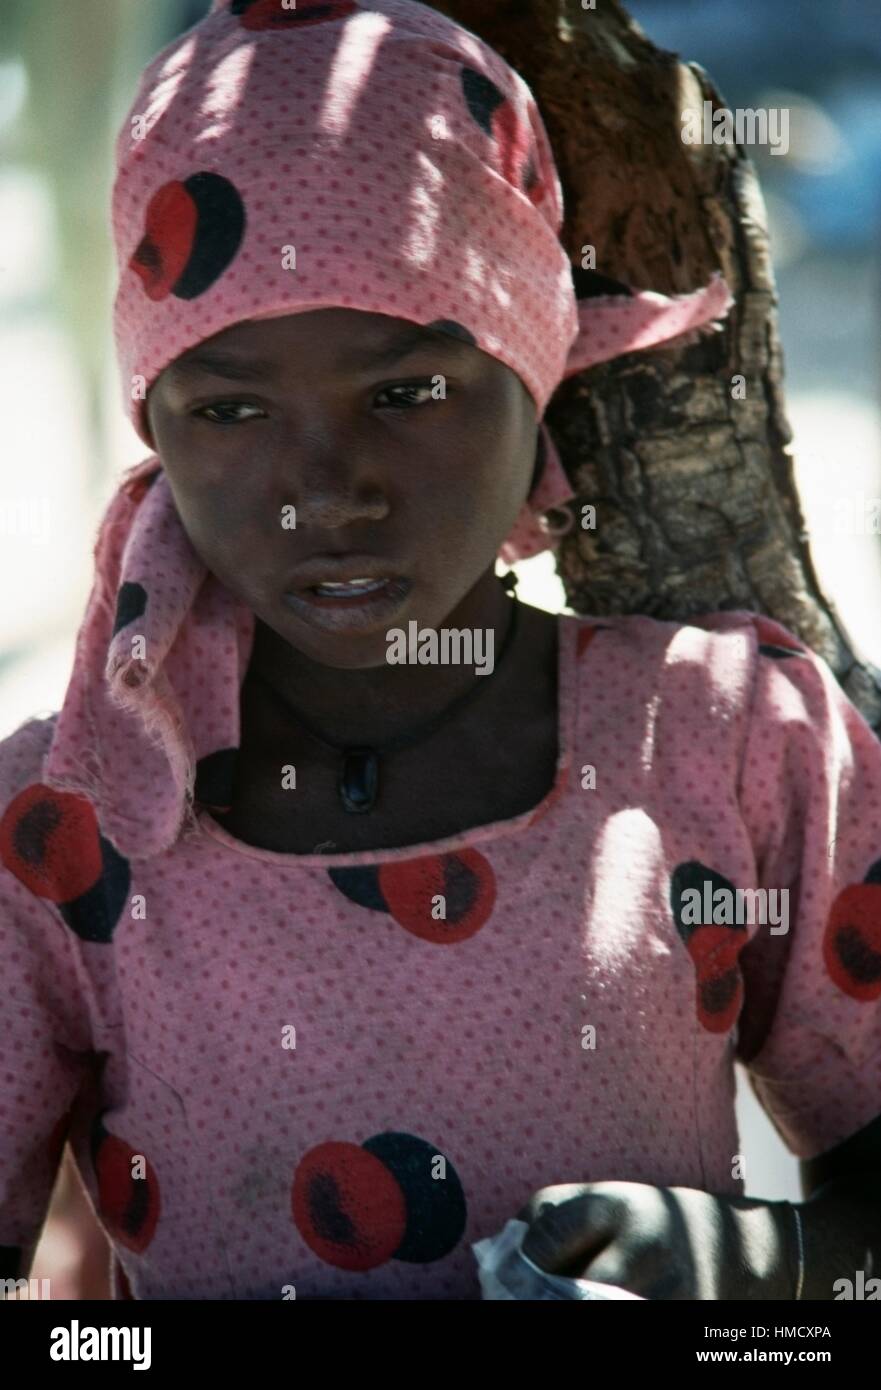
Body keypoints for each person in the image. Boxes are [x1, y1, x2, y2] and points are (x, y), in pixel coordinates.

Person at [1, 0, 879, 1302]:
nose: (326, 486)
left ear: (534, 377)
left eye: (407, 389)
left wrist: (773, 1266)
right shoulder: (68, 823)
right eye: (231, 406)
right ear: (158, 425)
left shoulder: (732, 740)